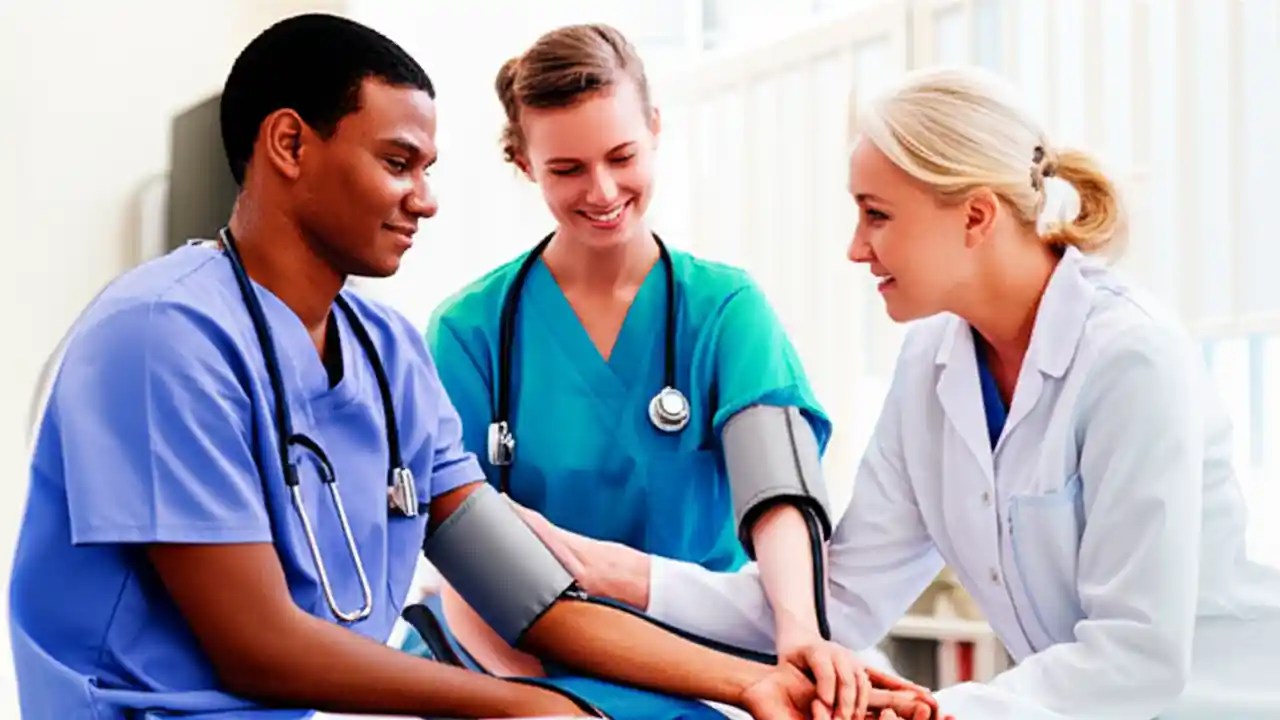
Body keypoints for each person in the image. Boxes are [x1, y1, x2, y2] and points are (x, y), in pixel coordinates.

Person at [6, 13, 916, 720]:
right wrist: (531, 704)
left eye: (430, 166)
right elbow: (258, 647)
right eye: (399, 163)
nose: (428, 199)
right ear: (289, 145)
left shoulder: (388, 352)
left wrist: (757, 683)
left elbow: (537, 600)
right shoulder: (162, 336)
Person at [517, 65, 1280, 719]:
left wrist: (932, 711)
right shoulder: (932, 364)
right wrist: (624, 575)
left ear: (976, 215)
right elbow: (839, 602)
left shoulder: (1128, 360)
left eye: (876, 214)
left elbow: (1136, 654)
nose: (856, 247)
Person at [406, 22, 877, 707]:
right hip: (507, 654)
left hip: (694, 657)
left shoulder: (724, 310)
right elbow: (458, 546)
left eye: (621, 155)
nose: (601, 191)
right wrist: (539, 697)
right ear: (522, 161)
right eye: (566, 169)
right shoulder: (470, 333)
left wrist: (799, 630)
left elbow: (777, 494)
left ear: (656, 127)